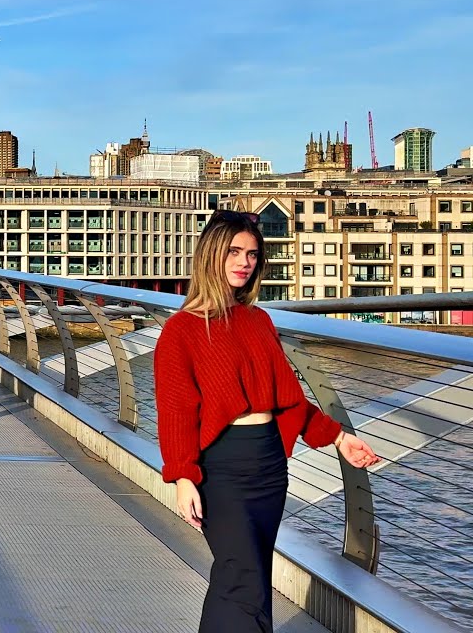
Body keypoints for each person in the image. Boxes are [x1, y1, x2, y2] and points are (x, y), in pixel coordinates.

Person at [154, 209, 380, 633]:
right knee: (242, 577)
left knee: (248, 575)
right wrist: (183, 477)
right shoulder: (181, 330)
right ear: (210, 254)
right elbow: (176, 411)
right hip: (222, 469)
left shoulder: (258, 321)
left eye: (253, 254)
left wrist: (338, 438)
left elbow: (287, 400)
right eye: (234, 252)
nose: (244, 262)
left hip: (269, 465)